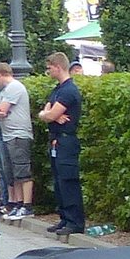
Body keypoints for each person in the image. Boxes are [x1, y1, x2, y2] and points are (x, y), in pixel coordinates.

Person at [37, 50, 85, 237]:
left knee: (68, 181)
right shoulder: (57, 90)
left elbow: (50, 114)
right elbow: (46, 113)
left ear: (58, 67)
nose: (48, 71)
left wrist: (49, 115)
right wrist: (48, 115)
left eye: (50, 68)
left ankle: (75, 221)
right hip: (56, 140)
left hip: (66, 140)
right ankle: (64, 217)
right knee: (58, 181)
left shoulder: (68, 91)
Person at [0, 60, 36, 220]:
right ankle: (19, 203)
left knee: (22, 171)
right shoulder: (5, 89)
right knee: (13, 172)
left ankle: (27, 206)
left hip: (18, 134)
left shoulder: (13, 87)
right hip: (9, 134)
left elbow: (1, 111)